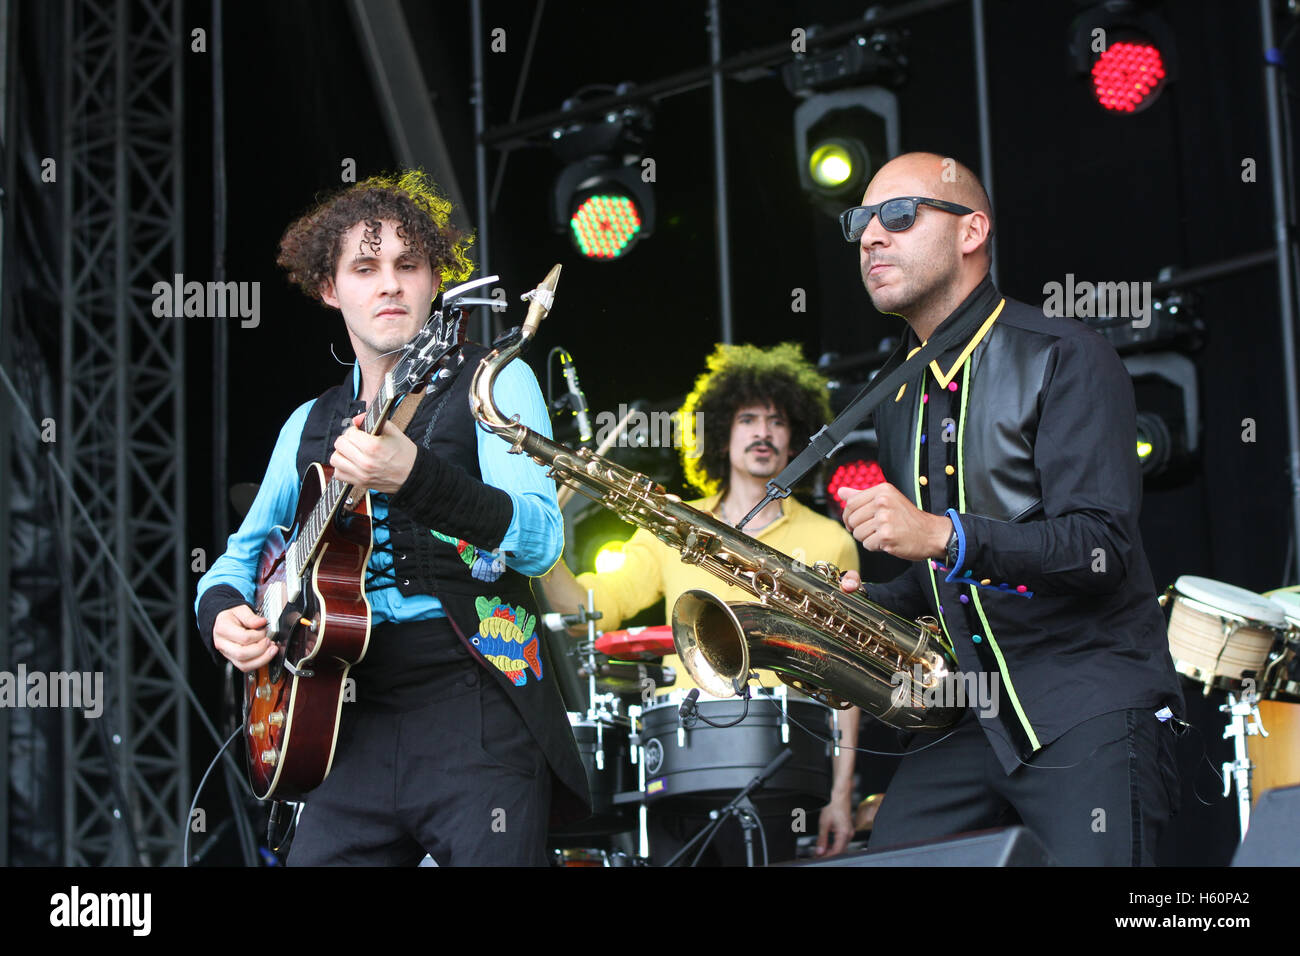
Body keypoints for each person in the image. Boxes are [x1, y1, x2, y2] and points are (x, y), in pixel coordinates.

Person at [194, 170, 588, 865]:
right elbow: (232, 562)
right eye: (365, 267)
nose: (390, 285)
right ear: (328, 288)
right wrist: (225, 615)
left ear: (436, 280)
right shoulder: (307, 424)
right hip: (343, 722)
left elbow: (538, 537)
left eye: (410, 266)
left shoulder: (493, 379)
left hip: (475, 704)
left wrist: (418, 479)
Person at [835, 152, 1184, 866]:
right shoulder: (896, 396)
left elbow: (1098, 547)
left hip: (1082, 703)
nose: (871, 237)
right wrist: (858, 605)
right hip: (964, 717)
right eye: (860, 222)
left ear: (972, 232)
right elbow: (944, 580)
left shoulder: (1067, 354)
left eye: (897, 216)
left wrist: (940, 533)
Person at [539, 342, 863, 861]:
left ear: (797, 436)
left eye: (778, 422)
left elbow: (845, 680)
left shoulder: (831, 539)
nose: (763, 433)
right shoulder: (677, 526)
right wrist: (542, 552)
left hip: (778, 767)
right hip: (679, 763)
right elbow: (592, 611)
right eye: (748, 419)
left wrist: (840, 796)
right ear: (719, 433)